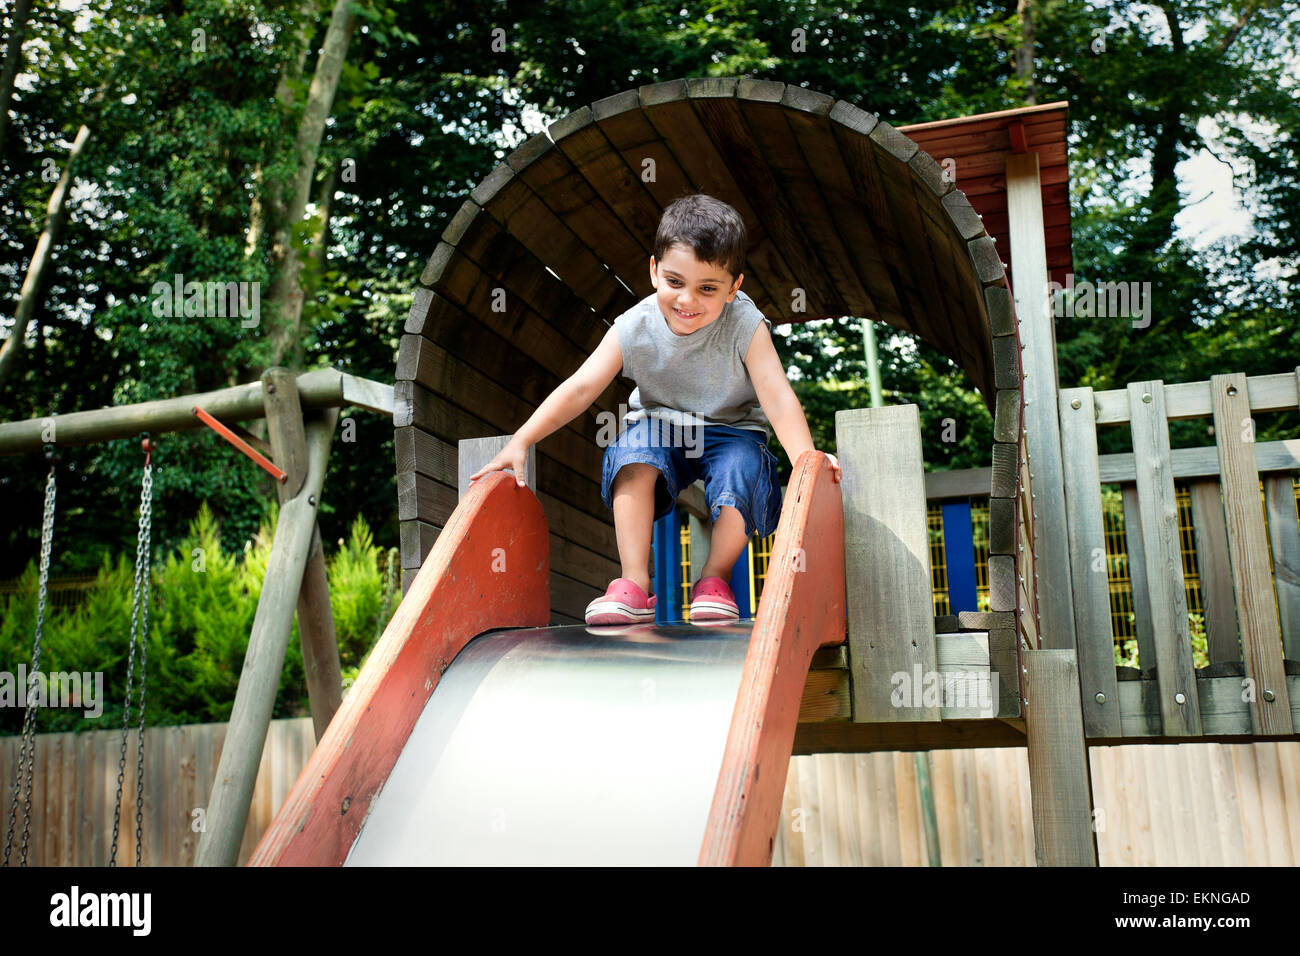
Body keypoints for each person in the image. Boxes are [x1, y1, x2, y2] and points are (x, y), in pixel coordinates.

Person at [469, 193, 840, 625]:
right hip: (660, 425)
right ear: (653, 271)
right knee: (632, 454)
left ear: (735, 287)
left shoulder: (744, 323)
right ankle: (634, 584)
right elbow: (582, 386)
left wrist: (804, 464)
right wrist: (523, 440)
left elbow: (776, 395)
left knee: (743, 468)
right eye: (675, 281)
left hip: (732, 430)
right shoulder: (634, 325)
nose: (687, 300)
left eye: (708, 288)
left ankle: (714, 579)